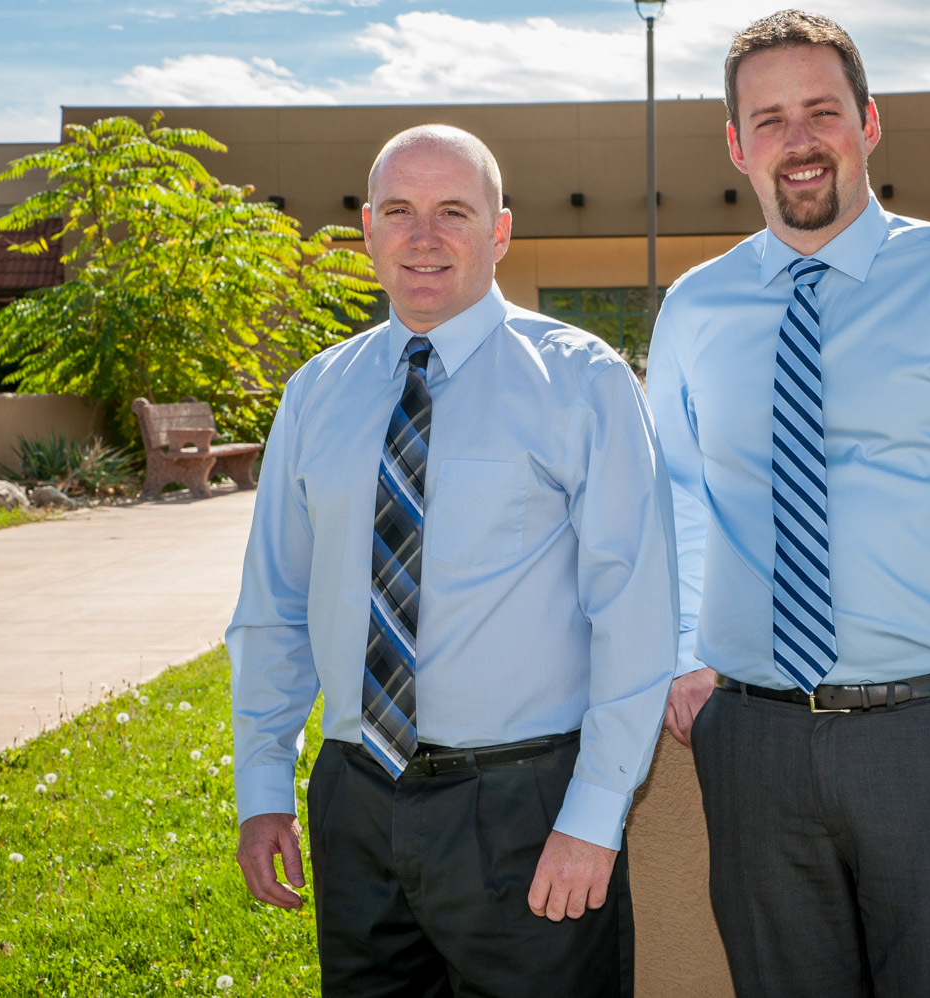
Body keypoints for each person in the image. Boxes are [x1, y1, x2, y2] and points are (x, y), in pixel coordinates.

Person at [645, 10, 930, 997]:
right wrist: (685, 650)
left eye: (822, 110)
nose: (799, 139)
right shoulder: (695, 307)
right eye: (768, 119)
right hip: (755, 745)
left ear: (869, 122)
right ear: (736, 145)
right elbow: (677, 498)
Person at [228, 124, 678, 998]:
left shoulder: (582, 382)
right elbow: (274, 606)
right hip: (357, 801)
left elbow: (635, 618)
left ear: (500, 232)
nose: (423, 237)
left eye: (454, 213)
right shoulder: (317, 392)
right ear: (368, 231)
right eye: (399, 211)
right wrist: (263, 786)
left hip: (524, 809)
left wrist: (593, 816)